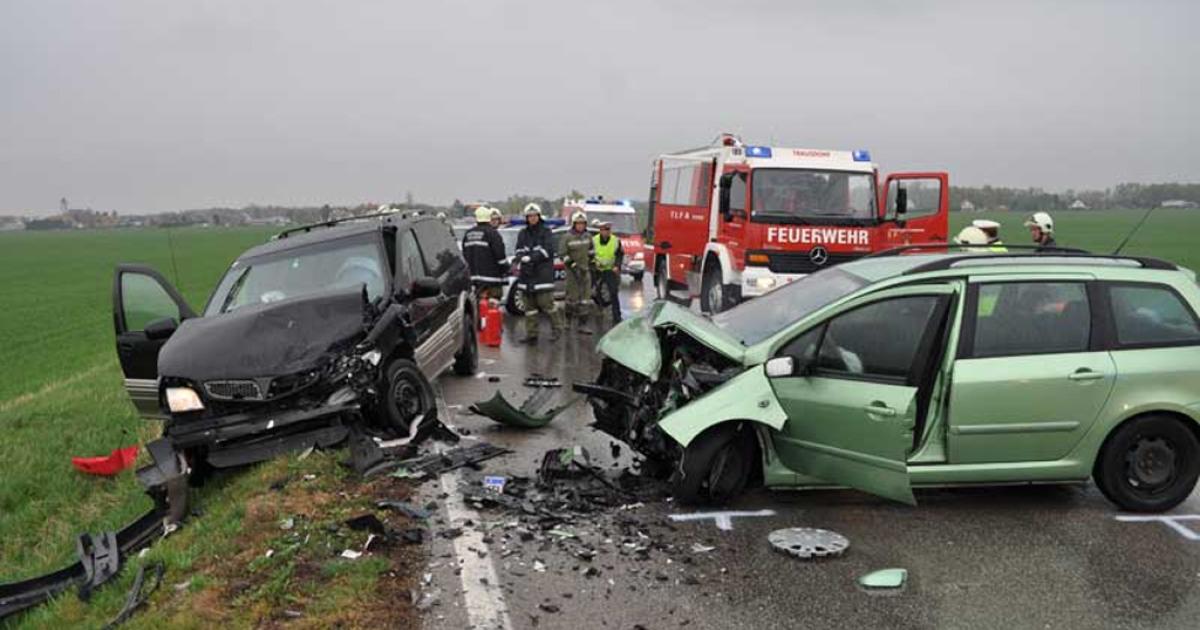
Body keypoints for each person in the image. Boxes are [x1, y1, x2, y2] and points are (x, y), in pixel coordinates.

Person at [513, 203, 565, 343]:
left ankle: (557, 329)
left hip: (542, 276)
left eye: (534, 216)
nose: (532, 218)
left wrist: (531, 257)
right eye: (529, 216)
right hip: (526, 276)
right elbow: (518, 249)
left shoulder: (546, 232)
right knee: (529, 308)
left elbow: (547, 250)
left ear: (539, 216)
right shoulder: (523, 233)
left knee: (547, 304)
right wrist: (520, 256)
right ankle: (532, 335)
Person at [461, 206, 508, 302]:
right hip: (492, 280)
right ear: (488, 218)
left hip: (474, 280)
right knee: (492, 308)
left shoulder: (468, 234)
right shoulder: (492, 233)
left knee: (478, 306)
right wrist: (506, 269)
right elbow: (500, 256)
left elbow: (464, 254)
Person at [558, 211, 594, 333]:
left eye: (582, 224)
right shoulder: (567, 237)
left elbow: (591, 251)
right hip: (572, 272)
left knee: (585, 299)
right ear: (574, 224)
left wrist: (591, 262)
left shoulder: (588, 236)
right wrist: (572, 265)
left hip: (585, 271)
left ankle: (582, 324)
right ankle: (567, 321)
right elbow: (562, 254)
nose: (580, 226)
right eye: (578, 224)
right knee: (571, 298)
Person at [593, 220, 625, 323]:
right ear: (600, 231)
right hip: (597, 270)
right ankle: (599, 308)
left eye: (608, 230)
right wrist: (594, 263)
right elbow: (590, 254)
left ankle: (617, 316)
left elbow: (620, 254)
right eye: (604, 230)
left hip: (610, 270)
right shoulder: (594, 240)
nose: (606, 232)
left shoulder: (615, 240)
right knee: (595, 292)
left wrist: (617, 266)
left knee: (613, 292)